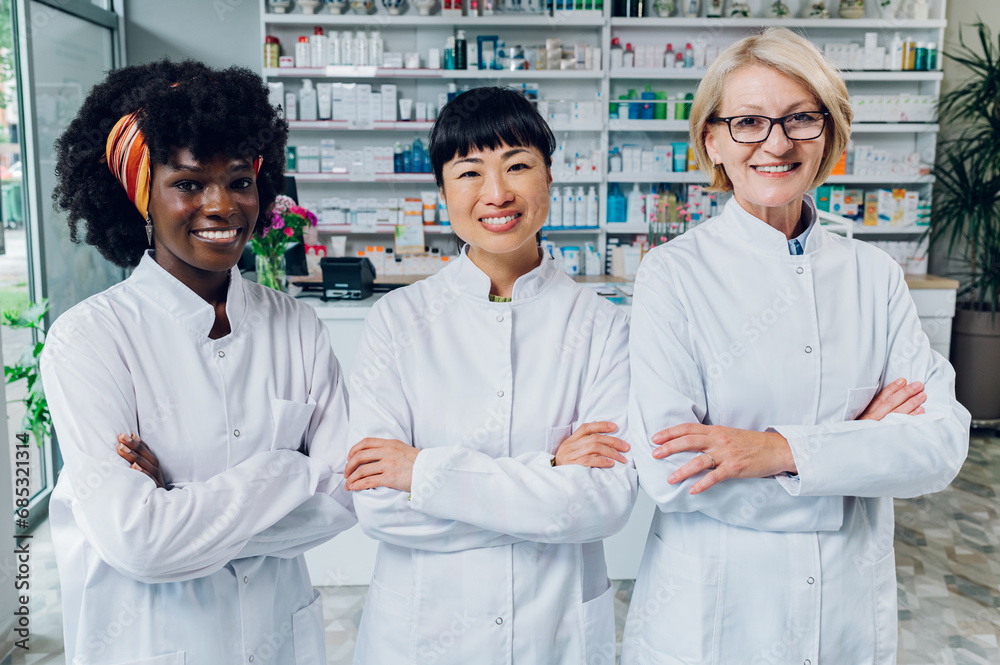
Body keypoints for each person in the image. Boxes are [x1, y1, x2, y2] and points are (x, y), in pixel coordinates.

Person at [621, 28, 971, 665]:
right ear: (713, 141)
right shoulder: (672, 274)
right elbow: (673, 472)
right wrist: (858, 450)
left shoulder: (875, 275)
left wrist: (774, 451)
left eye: (800, 119)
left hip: (844, 607)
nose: (775, 143)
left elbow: (941, 445)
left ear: (828, 137)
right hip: (717, 609)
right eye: (748, 121)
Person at [43, 59, 355, 664]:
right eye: (187, 184)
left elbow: (348, 497)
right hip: (153, 642)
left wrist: (180, 499)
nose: (222, 205)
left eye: (240, 181)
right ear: (140, 197)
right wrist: (291, 472)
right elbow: (139, 545)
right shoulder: (88, 340)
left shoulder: (297, 326)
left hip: (278, 639)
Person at [343, 86, 637, 665]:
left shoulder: (603, 326)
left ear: (550, 177)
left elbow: (604, 502)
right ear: (443, 190)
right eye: (470, 172)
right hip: (425, 632)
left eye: (518, 166)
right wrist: (551, 472)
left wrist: (421, 471)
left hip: (554, 632)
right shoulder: (396, 322)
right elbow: (377, 503)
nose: (497, 193)